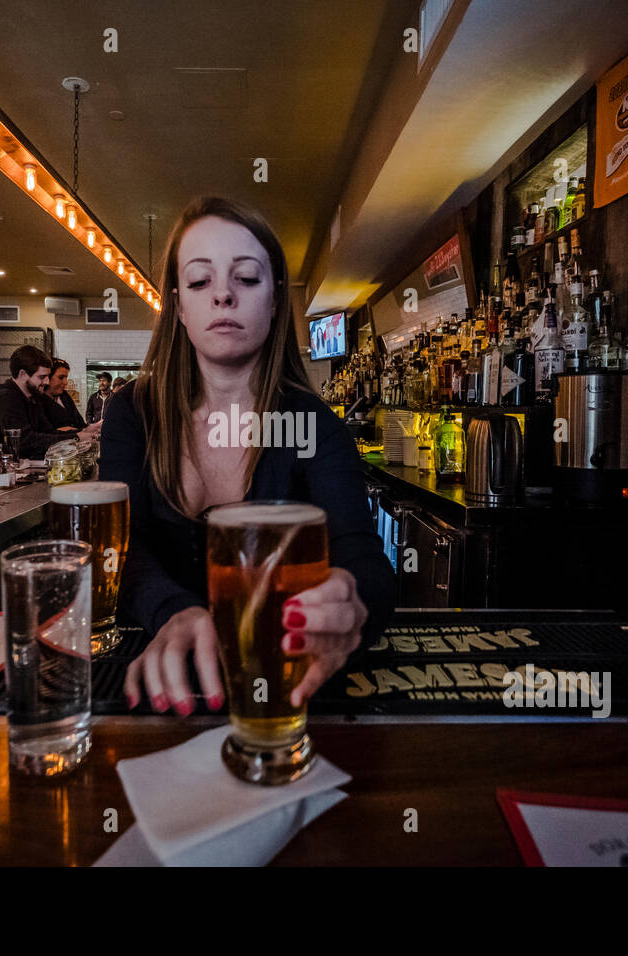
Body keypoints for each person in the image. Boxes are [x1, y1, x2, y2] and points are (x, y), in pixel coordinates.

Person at [100, 196, 395, 716]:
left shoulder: (312, 424)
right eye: (198, 282)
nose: (222, 296)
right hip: (154, 686)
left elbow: (366, 564)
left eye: (247, 278)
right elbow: (121, 549)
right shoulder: (132, 413)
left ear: (276, 300)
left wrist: (352, 599)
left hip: (283, 687)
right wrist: (174, 611)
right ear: (179, 307)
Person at [0, 345, 78, 457]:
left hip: (14, 468)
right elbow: (25, 442)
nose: (46, 382)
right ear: (22, 374)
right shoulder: (5, 397)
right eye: (42, 377)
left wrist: (81, 434)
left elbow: (48, 432)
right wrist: (76, 437)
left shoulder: (32, 397)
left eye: (48, 376)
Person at [41, 358, 101, 440]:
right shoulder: (39, 401)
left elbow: (79, 422)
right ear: (47, 377)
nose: (65, 382)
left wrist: (91, 428)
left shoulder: (64, 396)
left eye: (66, 377)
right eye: (61, 377)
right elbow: (47, 433)